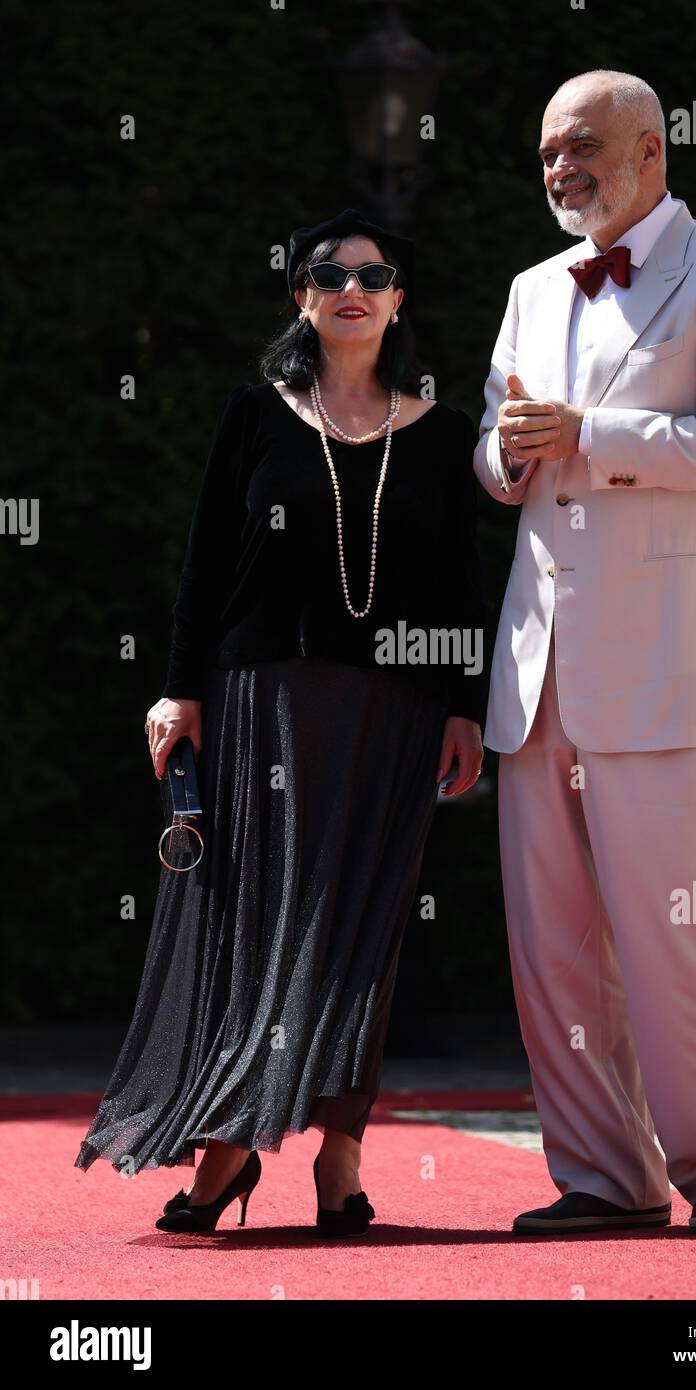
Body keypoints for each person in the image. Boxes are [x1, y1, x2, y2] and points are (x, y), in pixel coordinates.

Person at [74, 206, 486, 1235]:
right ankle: (227, 1142)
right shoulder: (254, 415)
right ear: (301, 297)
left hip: (396, 712)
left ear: (399, 301)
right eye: (329, 274)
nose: (354, 288)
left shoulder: (438, 434)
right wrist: (181, 688)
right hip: (263, 706)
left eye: (375, 274)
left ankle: (340, 1156)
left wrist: (468, 708)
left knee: (365, 931)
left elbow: (463, 582)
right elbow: (205, 564)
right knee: (256, 920)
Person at [474, 70, 696, 1236]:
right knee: (555, 948)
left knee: (684, 937)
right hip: (537, 663)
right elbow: (493, 453)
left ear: (652, 150)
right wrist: (506, 458)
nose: (562, 169)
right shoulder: (528, 287)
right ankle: (604, 1176)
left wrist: (590, 435)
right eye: (550, 151)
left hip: (668, 662)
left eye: (584, 147)